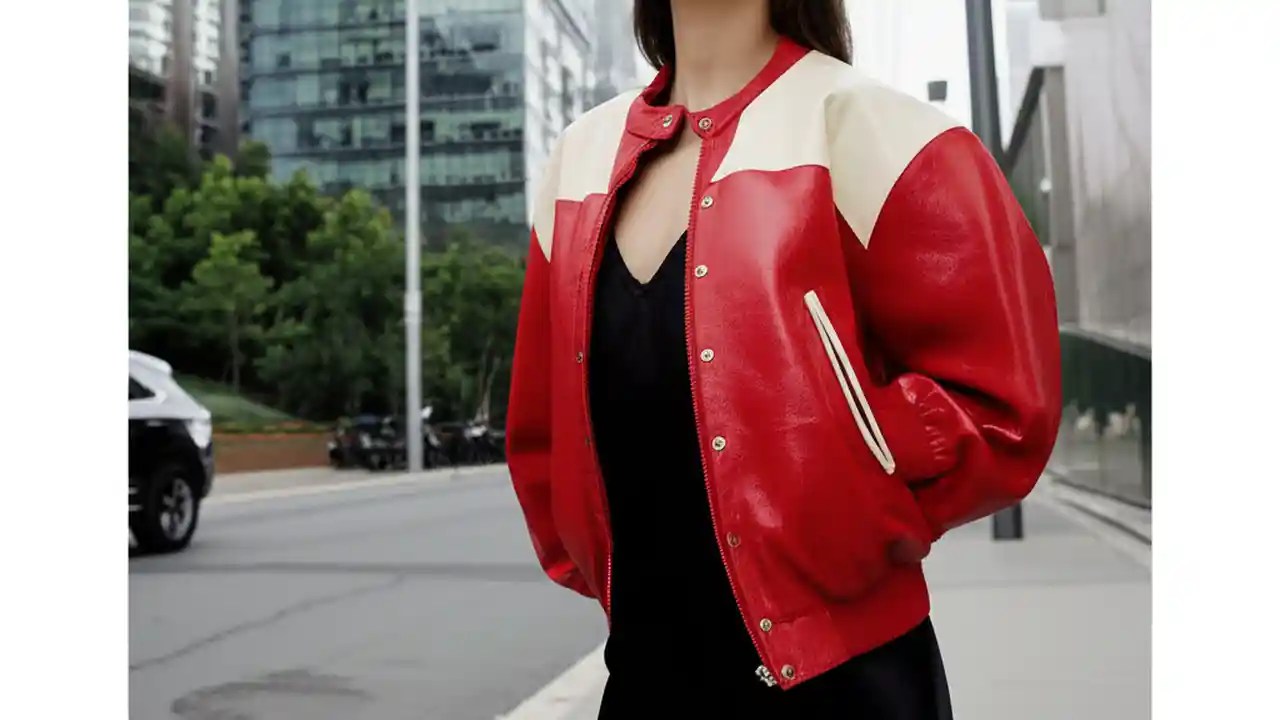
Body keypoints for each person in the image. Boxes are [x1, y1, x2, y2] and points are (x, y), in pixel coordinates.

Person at [506, 0, 1061, 716]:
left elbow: (1001, 401)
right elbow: (543, 436)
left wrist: (832, 495)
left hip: (847, 687)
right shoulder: (577, 160)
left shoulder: (873, 130)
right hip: (645, 682)